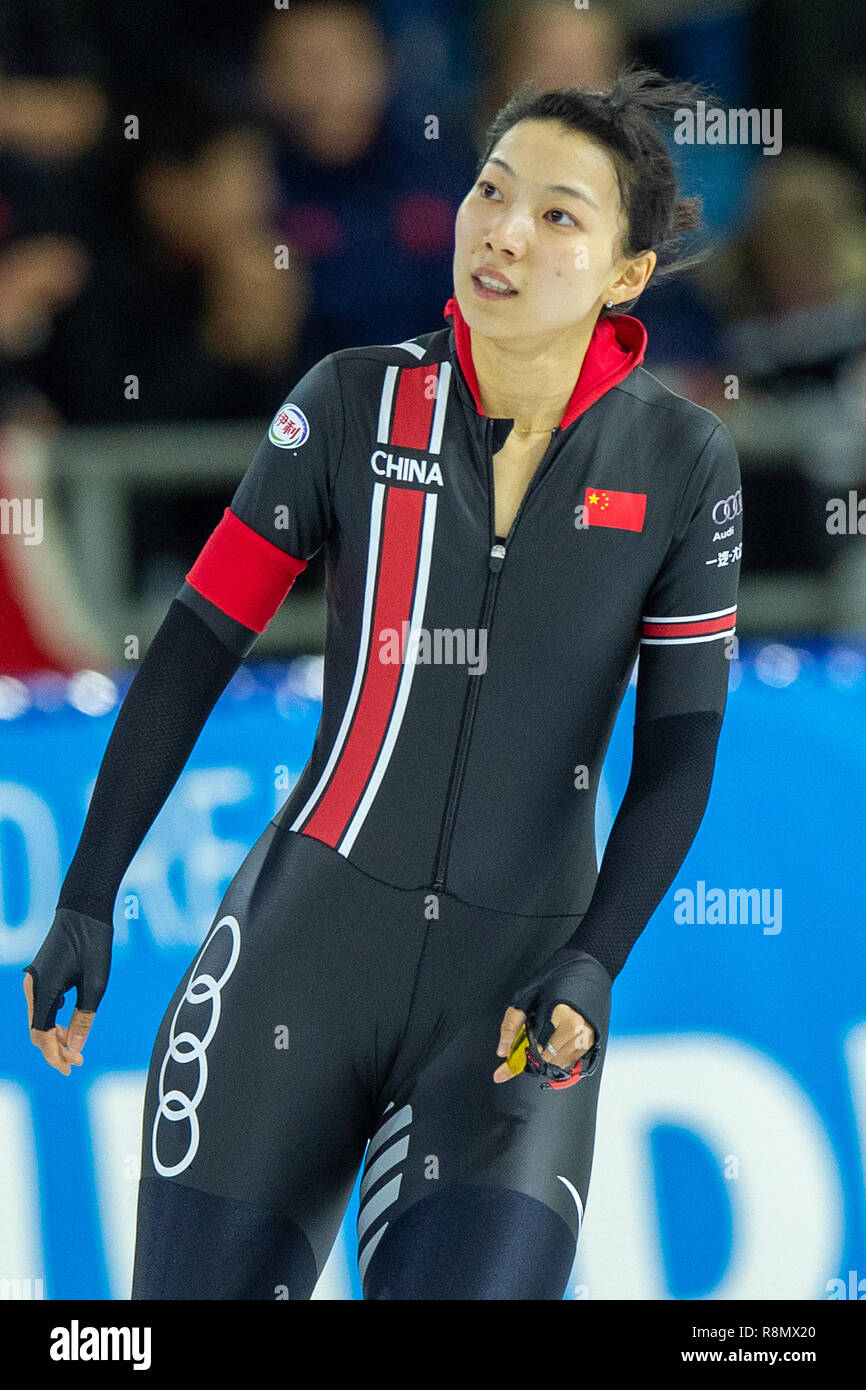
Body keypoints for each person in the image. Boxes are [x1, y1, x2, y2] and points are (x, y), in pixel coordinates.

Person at [23, 65, 743, 1300]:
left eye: (559, 215)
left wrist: (594, 959)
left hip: (514, 1004)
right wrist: (88, 891)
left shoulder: (681, 459)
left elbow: (679, 749)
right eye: (488, 190)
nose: (504, 231)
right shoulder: (352, 402)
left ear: (625, 275)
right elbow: (194, 646)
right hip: (295, 961)